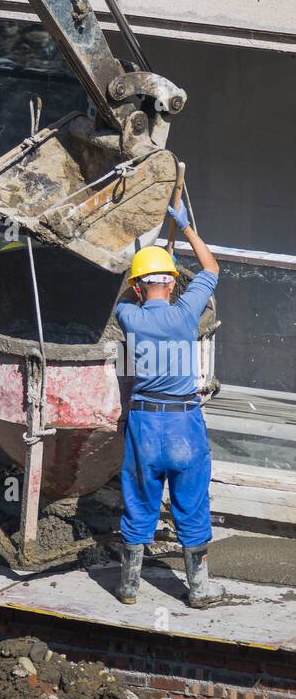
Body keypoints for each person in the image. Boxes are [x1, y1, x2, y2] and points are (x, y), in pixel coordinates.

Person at [114, 199, 221, 609]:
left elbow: (127, 292)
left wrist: (140, 273)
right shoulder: (185, 314)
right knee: (191, 503)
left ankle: (128, 588)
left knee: (139, 500)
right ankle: (198, 590)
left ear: (139, 287)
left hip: (144, 423)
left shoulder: (129, 314)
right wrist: (187, 228)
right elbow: (211, 268)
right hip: (183, 425)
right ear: (173, 284)